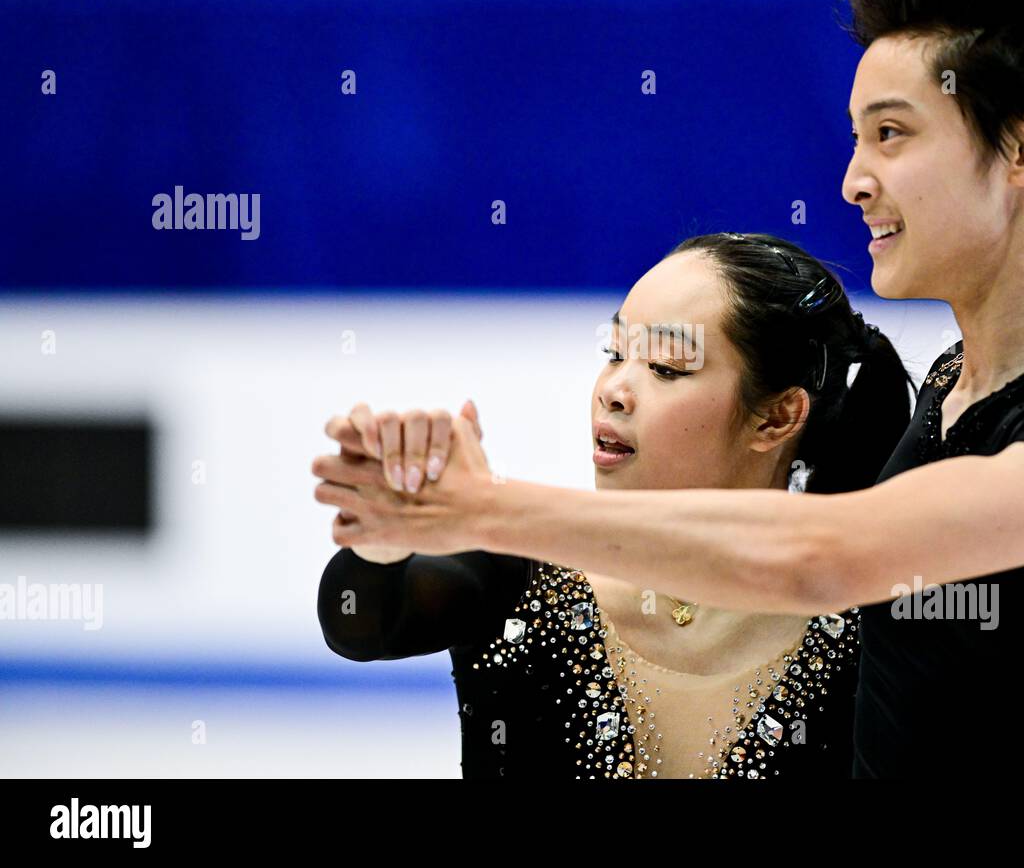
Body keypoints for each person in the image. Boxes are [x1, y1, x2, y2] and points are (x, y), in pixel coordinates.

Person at [313, 0, 1024, 779]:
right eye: (856, 138)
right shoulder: (950, 394)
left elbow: (824, 558)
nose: (854, 180)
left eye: (892, 135)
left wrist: (481, 508)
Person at [316, 232, 915, 778]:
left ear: (777, 416)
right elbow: (362, 622)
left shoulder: (875, 636)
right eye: (614, 352)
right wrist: (383, 539)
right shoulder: (521, 577)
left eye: (665, 367)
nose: (615, 390)